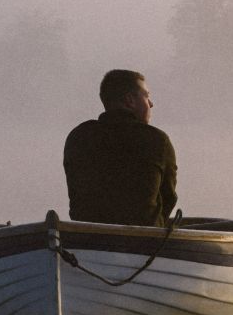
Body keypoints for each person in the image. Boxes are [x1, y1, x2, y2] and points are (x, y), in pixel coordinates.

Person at [63, 70, 178, 226]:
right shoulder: (157, 140)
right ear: (130, 100)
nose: (151, 103)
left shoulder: (78, 137)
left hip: (86, 239)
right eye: (146, 96)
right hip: (145, 242)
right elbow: (169, 197)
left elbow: (76, 197)